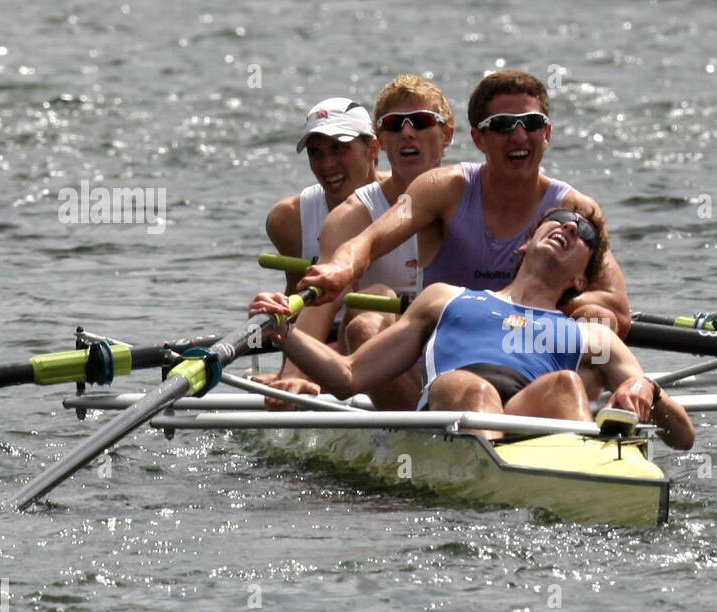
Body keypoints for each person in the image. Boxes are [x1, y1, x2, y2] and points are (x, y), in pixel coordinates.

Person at [250, 208, 694, 450]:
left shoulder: (591, 336)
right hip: (449, 415)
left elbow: (683, 438)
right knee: (472, 386)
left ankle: (587, 470)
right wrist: (285, 334)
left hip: (527, 413)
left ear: (580, 280)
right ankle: (506, 473)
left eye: (583, 234)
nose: (568, 227)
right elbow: (349, 377)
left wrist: (647, 392)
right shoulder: (446, 298)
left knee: (565, 383)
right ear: (526, 243)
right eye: (556, 219)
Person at [296, 69, 632, 338]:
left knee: (598, 318)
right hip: (447, 346)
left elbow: (617, 311)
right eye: (501, 126)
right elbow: (367, 242)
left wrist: (534, 303)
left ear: (546, 134)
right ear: (478, 138)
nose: (518, 137)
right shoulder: (444, 188)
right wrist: (341, 269)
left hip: (529, 343)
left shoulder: (575, 209)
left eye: (530, 124)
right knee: (364, 325)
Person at [264, 76, 454, 409]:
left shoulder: (475, 192)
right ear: (383, 140)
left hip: (453, 341)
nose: (327, 164)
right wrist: (294, 372)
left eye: (422, 122)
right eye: (395, 126)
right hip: (376, 345)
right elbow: (318, 300)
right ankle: (426, 433)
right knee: (372, 307)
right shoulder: (346, 216)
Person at [264, 97, 381, 294]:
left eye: (338, 148)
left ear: (373, 149)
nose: (327, 165)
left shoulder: (409, 202)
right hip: (320, 322)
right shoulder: (288, 219)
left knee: (363, 326)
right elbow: (295, 301)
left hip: (392, 320)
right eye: (315, 153)